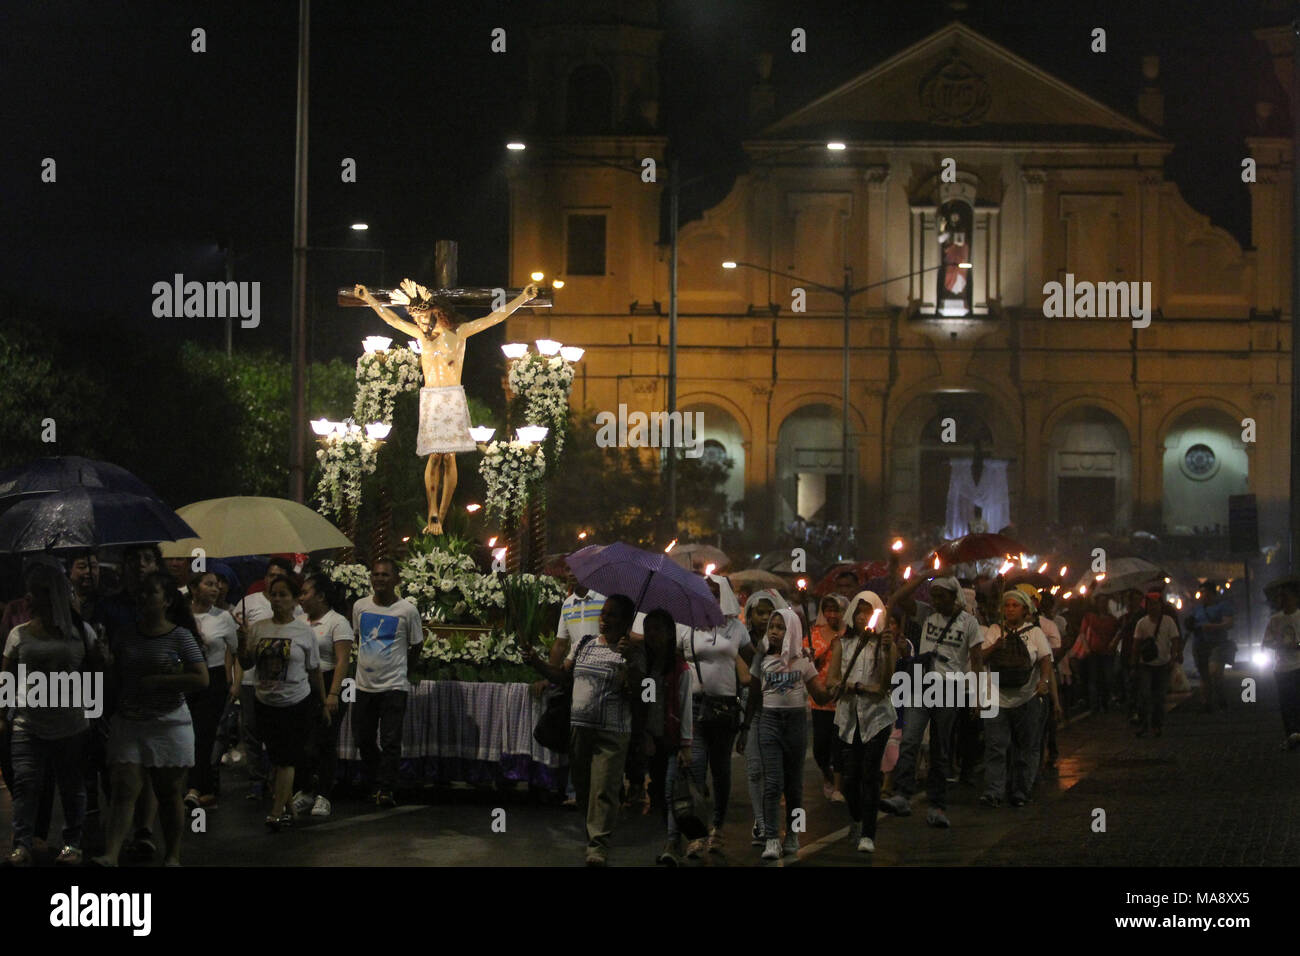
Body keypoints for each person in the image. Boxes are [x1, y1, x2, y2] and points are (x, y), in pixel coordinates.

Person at [94, 573, 208, 866]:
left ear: (167, 600)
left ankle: (173, 854)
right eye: (141, 594)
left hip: (168, 723)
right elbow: (116, 678)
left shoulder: (180, 636)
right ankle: (111, 853)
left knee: (169, 793)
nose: (144, 600)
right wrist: (105, 663)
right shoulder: (125, 635)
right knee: (123, 788)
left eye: (151, 594)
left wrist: (160, 681)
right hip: (130, 721)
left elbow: (201, 678)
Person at [527, 593, 643, 866]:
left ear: (626, 621)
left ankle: (598, 844)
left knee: (604, 787)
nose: (605, 619)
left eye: (613, 615)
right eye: (604, 613)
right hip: (580, 728)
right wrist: (537, 663)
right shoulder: (584, 644)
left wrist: (631, 665)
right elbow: (562, 676)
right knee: (582, 786)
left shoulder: (634, 654)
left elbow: (642, 693)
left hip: (612, 732)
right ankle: (595, 828)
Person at [2, 559, 104, 865]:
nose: (31, 598)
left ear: (55, 594)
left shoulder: (81, 632)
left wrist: (94, 710)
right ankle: (22, 844)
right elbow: (6, 677)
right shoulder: (19, 633)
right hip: (28, 723)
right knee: (26, 785)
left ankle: (73, 844)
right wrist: (2, 716)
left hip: (71, 724)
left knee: (72, 787)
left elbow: (95, 674)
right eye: (31, 591)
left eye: (40, 591)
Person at [881, 575, 983, 828]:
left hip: (950, 688)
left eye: (941, 596)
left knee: (940, 749)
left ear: (953, 596)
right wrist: (922, 576)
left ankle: (937, 805)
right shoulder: (926, 613)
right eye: (933, 595)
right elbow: (898, 598)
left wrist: (978, 696)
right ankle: (903, 794)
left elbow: (977, 661)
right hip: (921, 683)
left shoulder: (969, 623)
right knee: (910, 739)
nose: (936, 601)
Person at [240, 575, 326, 830]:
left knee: (287, 758)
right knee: (276, 758)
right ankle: (289, 807)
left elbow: (314, 670)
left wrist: (324, 701)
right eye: (273, 594)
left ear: (294, 599)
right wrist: (241, 644)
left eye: (283, 595)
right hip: (265, 701)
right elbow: (247, 664)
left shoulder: (303, 631)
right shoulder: (258, 628)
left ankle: (276, 812)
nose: (277, 599)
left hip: (295, 702)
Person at [750, 608, 834, 860]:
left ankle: (794, 834)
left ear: (792, 631)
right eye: (771, 627)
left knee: (794, 785)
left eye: (780, 627)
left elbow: (819, 695)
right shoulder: (761, 657)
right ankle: (773, 838)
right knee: (773, 782)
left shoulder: (802, 660)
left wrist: (835, 689)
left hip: (796, 722)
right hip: (769, 721)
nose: (773, 631)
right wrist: (746, 728)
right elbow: (754, 693)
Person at [678, 573, 750, 856]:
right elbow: (672, 658)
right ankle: (697, 834)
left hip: (724, 708)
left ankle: (717, 827)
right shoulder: (688, 627)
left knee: (720, 770)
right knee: (695, 767)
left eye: (714, 592)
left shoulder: (736, 628)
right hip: (694, 706)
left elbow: (753, 662)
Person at [350, 558, 423, 807]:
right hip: (364, 685)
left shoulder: (407, 610)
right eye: (376, 574)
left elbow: (417, 645)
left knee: (390, 740)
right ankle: (377, 778)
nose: (379, 579)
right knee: (363, 738)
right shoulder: (360, 607)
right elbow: (358, 638)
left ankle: (385, 788)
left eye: (385, 575)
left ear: (396, 580)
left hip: (394, 686)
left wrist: (405, 672)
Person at [231, 557, 304, 797]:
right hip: (252, 679)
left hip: (283, 684)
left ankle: (277, 781)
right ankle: (256, 778)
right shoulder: (248, 603)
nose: (273, 582)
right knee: (250, 729)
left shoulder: (297, 609)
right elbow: (240, 650)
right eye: (270, 576)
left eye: (278, 576)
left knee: (277, 738)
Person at [830, 591, 896, 853]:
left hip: (876, 719)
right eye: (858, 611)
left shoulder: (884, 644)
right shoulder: (843, 644)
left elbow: (885, 684)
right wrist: (855, 686)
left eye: (867, 611)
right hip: (848, 719)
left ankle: (869, 833)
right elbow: (832, 680)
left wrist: (888, 649)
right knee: (849, 779)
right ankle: (856, 819)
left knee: (869, 775)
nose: (861, 616)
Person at [980, 589, 1053, 808]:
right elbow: (981, 657)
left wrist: (1044, 683)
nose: (1010, 609)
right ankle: (994, 791)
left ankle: (1021, 790)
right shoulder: (994, 631)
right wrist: (995, 646)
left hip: (1026, 698)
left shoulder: (1034, 633)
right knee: (995, 746)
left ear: (1024, 610)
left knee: (1025, 747)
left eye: (1015, 605)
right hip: (996, 698)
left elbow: (1045, 660)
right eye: (1007, 605)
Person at [291, 573, 353, 818]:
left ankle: (324, 794)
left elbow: (342, 661)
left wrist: (333, 694)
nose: (301, 598)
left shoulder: (337, 622)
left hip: (329, 683)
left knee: (325, 741)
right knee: (303, 741)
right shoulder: (299, 621)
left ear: (321, 597)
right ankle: (304, 790)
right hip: (303, 685)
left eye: (305, 592)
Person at [642, 609, 695, 865]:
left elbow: (685, 707)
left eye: (657, 629)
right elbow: (647, 704)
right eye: (648, 628)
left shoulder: (681, 668)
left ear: (670, 633)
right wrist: (647, 734)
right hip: (655, 739)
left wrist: (686, 746)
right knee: (661, 793)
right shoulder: (647, 665)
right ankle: (671, 840)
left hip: (674, 741)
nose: (652, 634)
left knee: (673, 792)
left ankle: (673, 844)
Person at [184, 570, 238, 810]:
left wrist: (231, 679)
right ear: (194, 589)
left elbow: (234, 650)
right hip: (186, 677)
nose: (215, 589)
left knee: (204, 734)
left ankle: (197, 788)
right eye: (209, 584)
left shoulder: (224, 618)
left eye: (217, 585)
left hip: (213, 679)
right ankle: (196, 786)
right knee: (185, 733)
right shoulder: (182, 615)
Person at [738, 589, 783, 846]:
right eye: (760, 613)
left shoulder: (784, 641)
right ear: (751, 615)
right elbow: (746, 677)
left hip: (777, 708)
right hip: (752, 708)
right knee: (755, 770)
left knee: (774, 771)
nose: (765, 618)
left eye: (769, 613)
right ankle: (761, 823)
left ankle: (771, 817)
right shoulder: (743, 644)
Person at [809, 594, 846, 803]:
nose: (832, 614)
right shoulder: (813, 634)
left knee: (839, 745)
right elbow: (805, 662)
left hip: (842, 699)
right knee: (820, 748)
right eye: (828, 609)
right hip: (819, 699)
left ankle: (839, 787)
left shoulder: (850, 634)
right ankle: (827, 775)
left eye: (836, 609)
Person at [1132, 592, 1181, 738]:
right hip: (1145, 664)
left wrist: (1173, 657)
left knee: (1159, 697)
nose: (1153, 607)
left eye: (1156, 604)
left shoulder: (1168, 621)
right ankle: (1144, 724)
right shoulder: (1142, 623)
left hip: (1163, 664)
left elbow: (1175, 640)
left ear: (1161, 605)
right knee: (1144, 695)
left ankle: (1157, 725)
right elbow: (1136, 644)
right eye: (1150, 604)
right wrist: (1133, 665)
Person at [1262, 582, 1300, 750]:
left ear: (1295, 598)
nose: (1282, 600)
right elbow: (1266, 642)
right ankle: (1291, 737)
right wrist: (1279, 644)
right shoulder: (1275, 619)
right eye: (1280, 597)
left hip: (1299, 665)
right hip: (1281, 668)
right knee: (1286, 705)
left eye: (1285, 596)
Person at [1188, 582, 1235, 713]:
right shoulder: (1197, 609)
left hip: (1218, 644)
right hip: (1200, 644)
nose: (1203, 596)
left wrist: (1213, 627)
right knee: (1204, 675)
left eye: (1206, 593)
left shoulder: (1223, 606)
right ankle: (1207, 703)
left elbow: (1229, 623)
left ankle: (1222, 700)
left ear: (1213, 594)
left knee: (1215, 672)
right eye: (1201, 593)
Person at [1079, 595, 1118, 713]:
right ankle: (1094, 705)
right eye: (1101, 602)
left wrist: (1113, 644)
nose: (1103, 605)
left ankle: (1104, 702)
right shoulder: (1090, 617)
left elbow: (1116, 634)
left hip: (1107, 652)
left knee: (1107, 678)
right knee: (1094, 678)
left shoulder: (1112, 620)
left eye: (1105, 602)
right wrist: (1086, 647)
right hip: (1093, 652)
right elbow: (1082, 633)